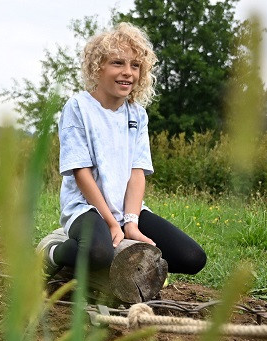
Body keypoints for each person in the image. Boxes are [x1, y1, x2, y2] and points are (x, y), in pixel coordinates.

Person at [38, 22, 206, 281]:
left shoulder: (137, 114)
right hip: (87, 208)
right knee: (97, 253)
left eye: (135, 65)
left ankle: (109, 247)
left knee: (192, 257)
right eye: (118, 63)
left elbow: (137, 172)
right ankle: (54, 251)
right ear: (98, 67)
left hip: (127, 210)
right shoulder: (78, 107)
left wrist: (130, 222)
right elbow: (81, 172)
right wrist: (111, 223)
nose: (128, 73)